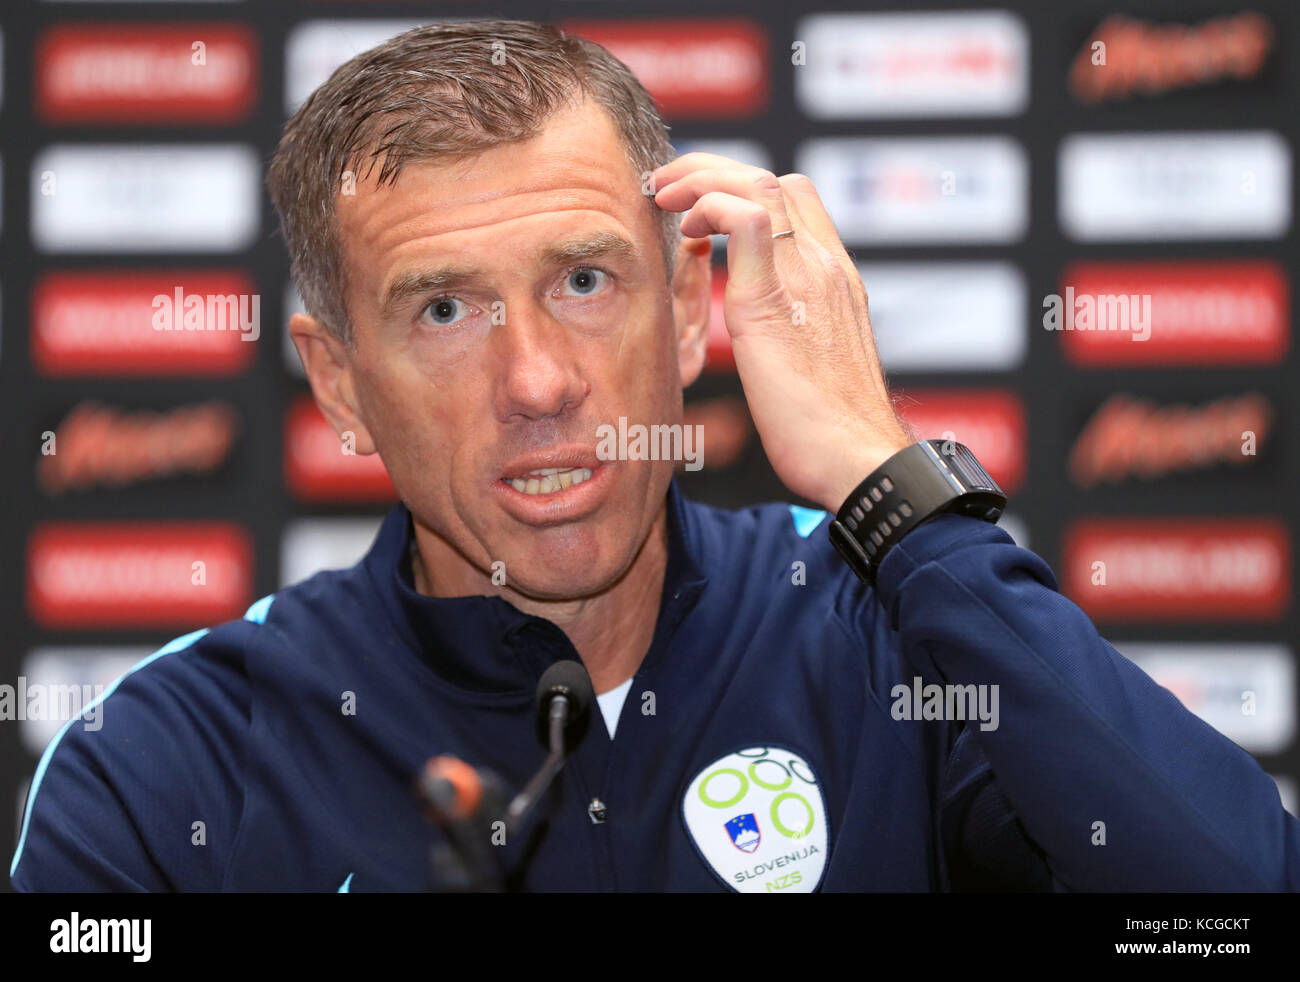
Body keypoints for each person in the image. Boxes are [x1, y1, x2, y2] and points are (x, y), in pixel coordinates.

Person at [12, 19, 1298, 892]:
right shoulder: (172, 749)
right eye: (444, 310)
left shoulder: (889, 636)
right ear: (342, 383)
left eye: (584, 279)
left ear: (691, 310)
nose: (537, 381)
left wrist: (892, 491)